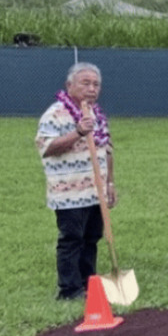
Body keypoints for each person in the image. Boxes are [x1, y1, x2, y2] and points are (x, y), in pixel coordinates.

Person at [36, 63, 116, 300]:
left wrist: (110, 183)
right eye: (86, 83)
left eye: (96, 84)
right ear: (69, 85)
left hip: (96, 191)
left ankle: (88, 281)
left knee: (92, 238)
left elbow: (107, 150)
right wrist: (78, 132)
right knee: (72, 240)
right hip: (69, 192)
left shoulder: (97, 114)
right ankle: (69, 290)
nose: (92, 89)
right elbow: (47, 148)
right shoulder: (55, 114)